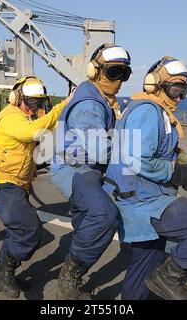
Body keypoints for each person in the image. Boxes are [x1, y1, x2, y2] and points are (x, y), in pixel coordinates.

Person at [103, 57, 187, 300]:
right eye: (175, 88)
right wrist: (176, 173)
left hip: (140, 200)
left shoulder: (157, 112)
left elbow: (161, 152)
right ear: (156, 84)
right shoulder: (147, 111)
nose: (178, 96)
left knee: (141, 281)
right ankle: (172, 276)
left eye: (183, 90)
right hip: (145, 203)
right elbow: (137, 160)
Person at [50, 43, 132, 299]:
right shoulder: (89, 104)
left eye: (124, 74)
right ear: (95, 71)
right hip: (74, 169)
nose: (118, 80)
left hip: (87, 168)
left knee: (86, 222)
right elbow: (99, 149)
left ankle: (74, 271)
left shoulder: (98, 98)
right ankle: (69, 278)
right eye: (113, 72)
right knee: (104, 215)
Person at [0, 76, 70, 298]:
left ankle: (1, 275)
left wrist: (28, 181)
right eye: (31, 102)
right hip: (1, 182)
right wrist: (62, 106)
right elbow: (32, 133)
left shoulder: (23, 116)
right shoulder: (12, 117)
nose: (35, 108)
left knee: (17, 230)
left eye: (39, 103)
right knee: (29, 229)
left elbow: (24, 155)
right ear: (17, 98)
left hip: (16, 183)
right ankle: (4, 271)